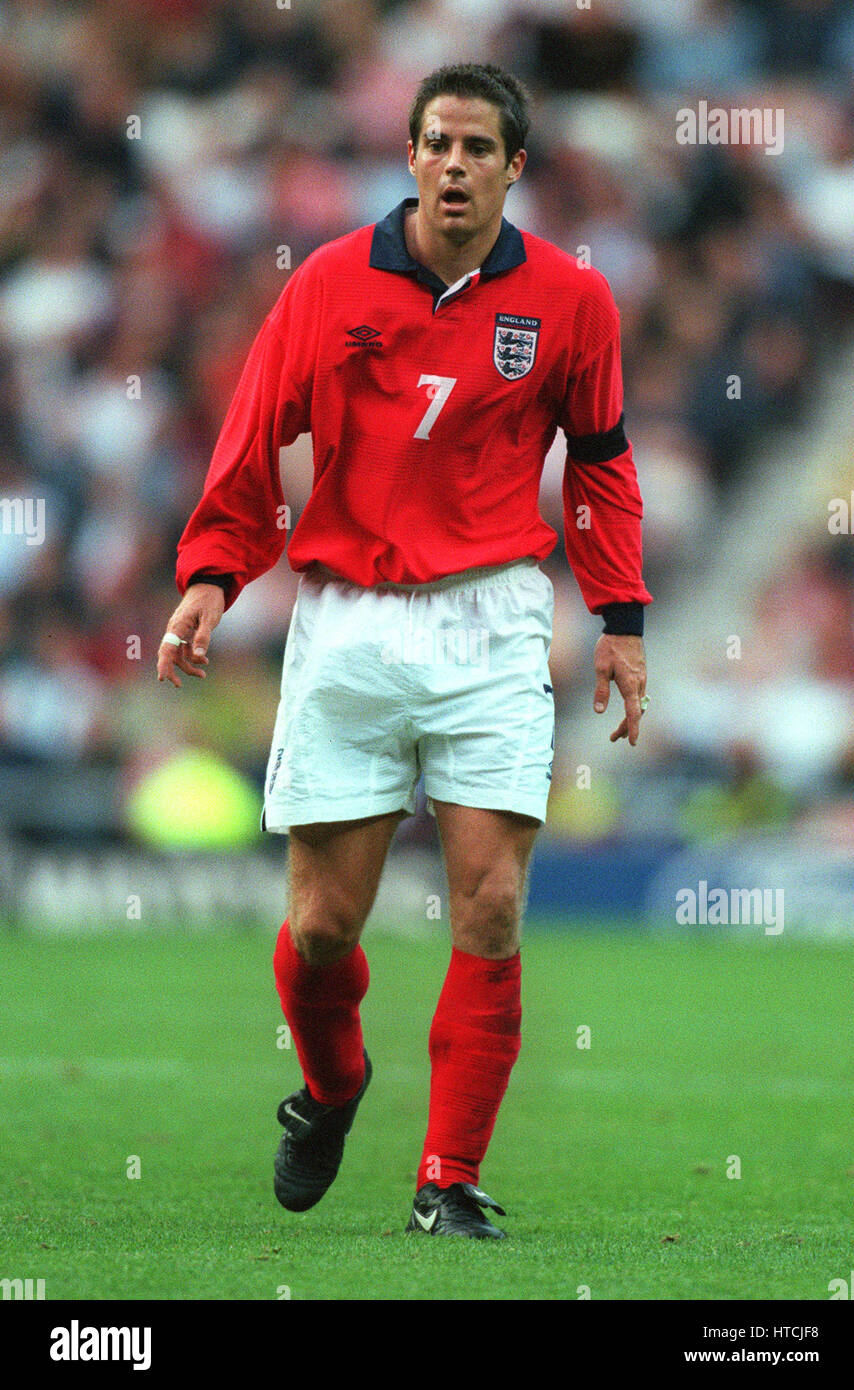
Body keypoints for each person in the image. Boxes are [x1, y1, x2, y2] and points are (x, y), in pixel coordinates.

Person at [157, 62, 651, 1239]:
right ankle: (332, 1087)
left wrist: (621, 617)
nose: (453, 164)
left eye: (479, 148)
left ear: (513, 165)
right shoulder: (327, 285)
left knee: (490, 902)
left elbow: (599, 461)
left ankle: (448, 1178)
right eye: (436, 143)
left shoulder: (572, 301)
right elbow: (250, 436)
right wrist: (211, 577)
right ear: (410, 154)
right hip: (351, 622)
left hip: (492, 619)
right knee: (323, 927)